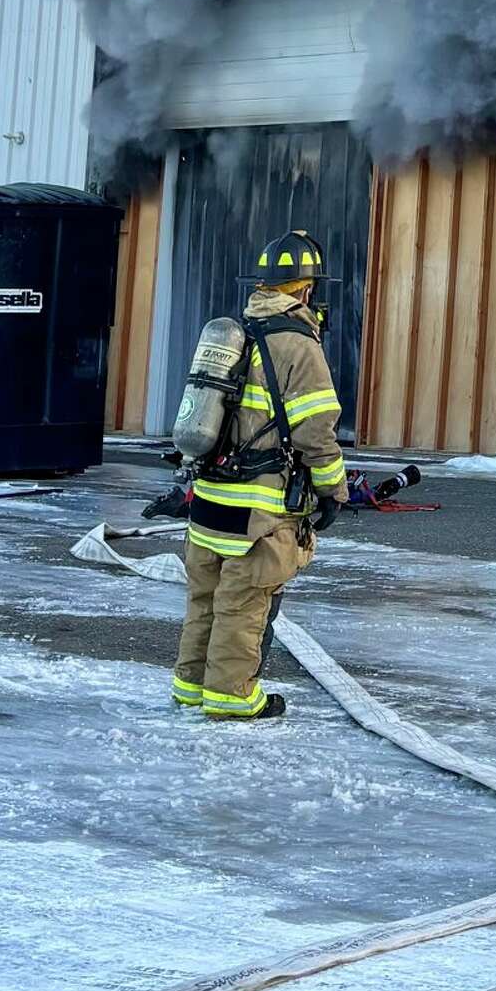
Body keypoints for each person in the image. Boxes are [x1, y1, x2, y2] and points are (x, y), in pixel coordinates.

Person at [173, 230, 349, 722]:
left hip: (209, 496)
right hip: (258, 507)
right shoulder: (298, 345)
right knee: (244, 602)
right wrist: (332, 491)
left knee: (205, 599)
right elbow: (317, 431)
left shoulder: (236, 334)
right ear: (306, 290)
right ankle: (232, 697)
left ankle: (190, 687)